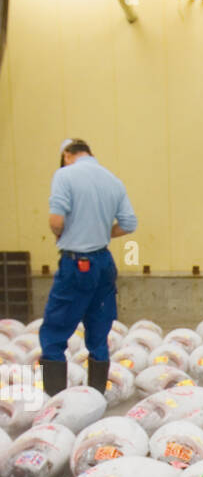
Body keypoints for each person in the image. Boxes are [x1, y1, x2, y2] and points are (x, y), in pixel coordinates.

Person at [40, 138, 138, 396]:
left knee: (54, 332)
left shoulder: (65, 175)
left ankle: (56, 404)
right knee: (98, 331)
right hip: (103, 262)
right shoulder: (112, 180)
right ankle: (95, 398)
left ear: (67, 155)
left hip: (76, 262)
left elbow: (56, 219)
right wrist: (100, 230)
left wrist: (60, 233)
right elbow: (129, 223)